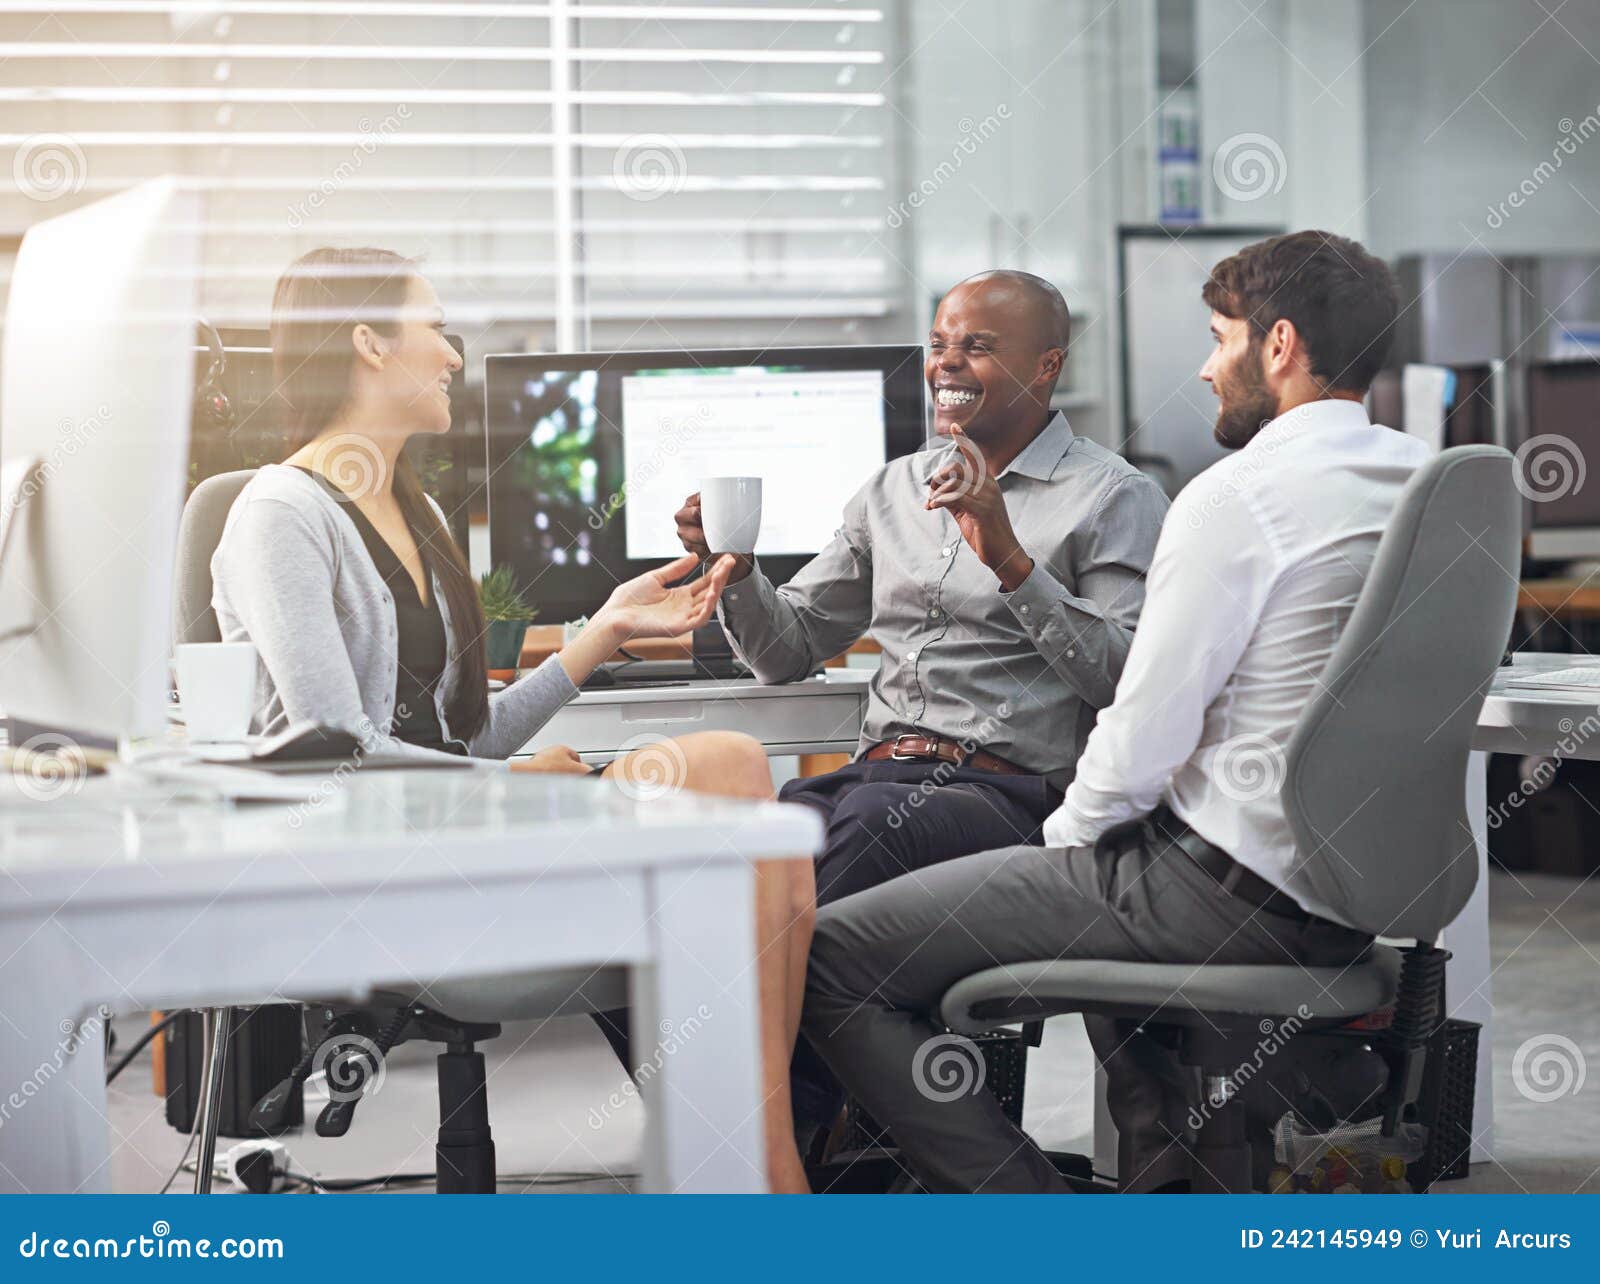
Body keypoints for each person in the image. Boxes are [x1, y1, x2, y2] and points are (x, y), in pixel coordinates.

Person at [799, 230, 1432, 1192]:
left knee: (829, 960)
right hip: (1359, 895)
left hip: (1223, 887)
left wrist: (1057, 858)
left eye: (1220, 339)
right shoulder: (1429, 482)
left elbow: (1141, 734)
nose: (1206, 369)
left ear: (1278, 346)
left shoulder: (1233, 498)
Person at [210, 247, 815, 1191]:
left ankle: (754, 1157)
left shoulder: (417, 509)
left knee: (736, 772)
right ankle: (762, 1174)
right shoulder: (280, 513)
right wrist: (517, 787)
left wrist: (604, 632)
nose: (453, 355)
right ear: (368, 343)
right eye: (434, 328)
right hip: (376, 866)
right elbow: (339, 755)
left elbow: (466, 739)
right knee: (728, 794)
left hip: (464, 836)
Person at [675, 270, 1169, 1145]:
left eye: (978, 346)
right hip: (873, 786)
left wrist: (1010, 557)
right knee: (701, 874)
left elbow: (1126, 677)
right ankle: (780, 1134)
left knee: (854, 840)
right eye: (940, 344)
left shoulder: (1114, 496)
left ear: (1047, 365)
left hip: (1010, 799)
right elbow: (788, 650)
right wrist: (738, 569)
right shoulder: (891, 491)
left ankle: (764, 1137)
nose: (947, 364)